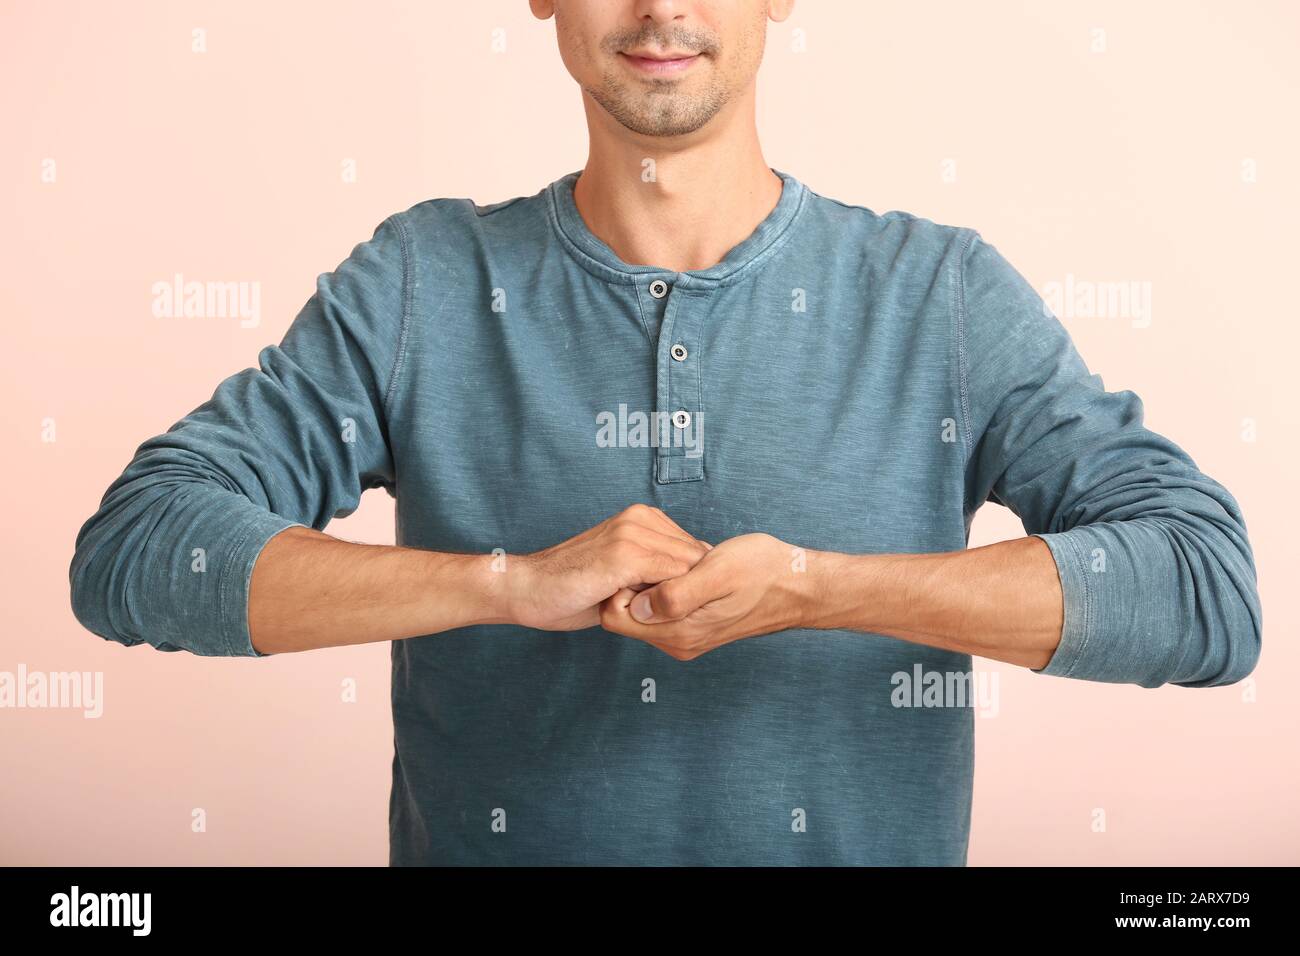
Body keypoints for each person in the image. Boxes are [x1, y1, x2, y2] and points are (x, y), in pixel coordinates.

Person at [69, 0, 1261, 865]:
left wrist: (821, 586)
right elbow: (137, 552)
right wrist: (508, 581)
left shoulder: (934, 293)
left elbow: (1204, 590)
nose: (660, 7)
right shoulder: (422, 283)